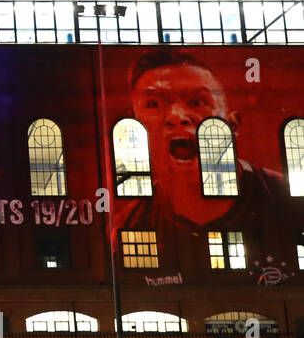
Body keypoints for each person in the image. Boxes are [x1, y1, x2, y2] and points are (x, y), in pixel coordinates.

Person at [117, 49, 299, 257]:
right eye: (154, 104)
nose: (177, 117)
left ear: (232, 124)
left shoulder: (288, 202)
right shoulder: (127, 226)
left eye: (197, 102)